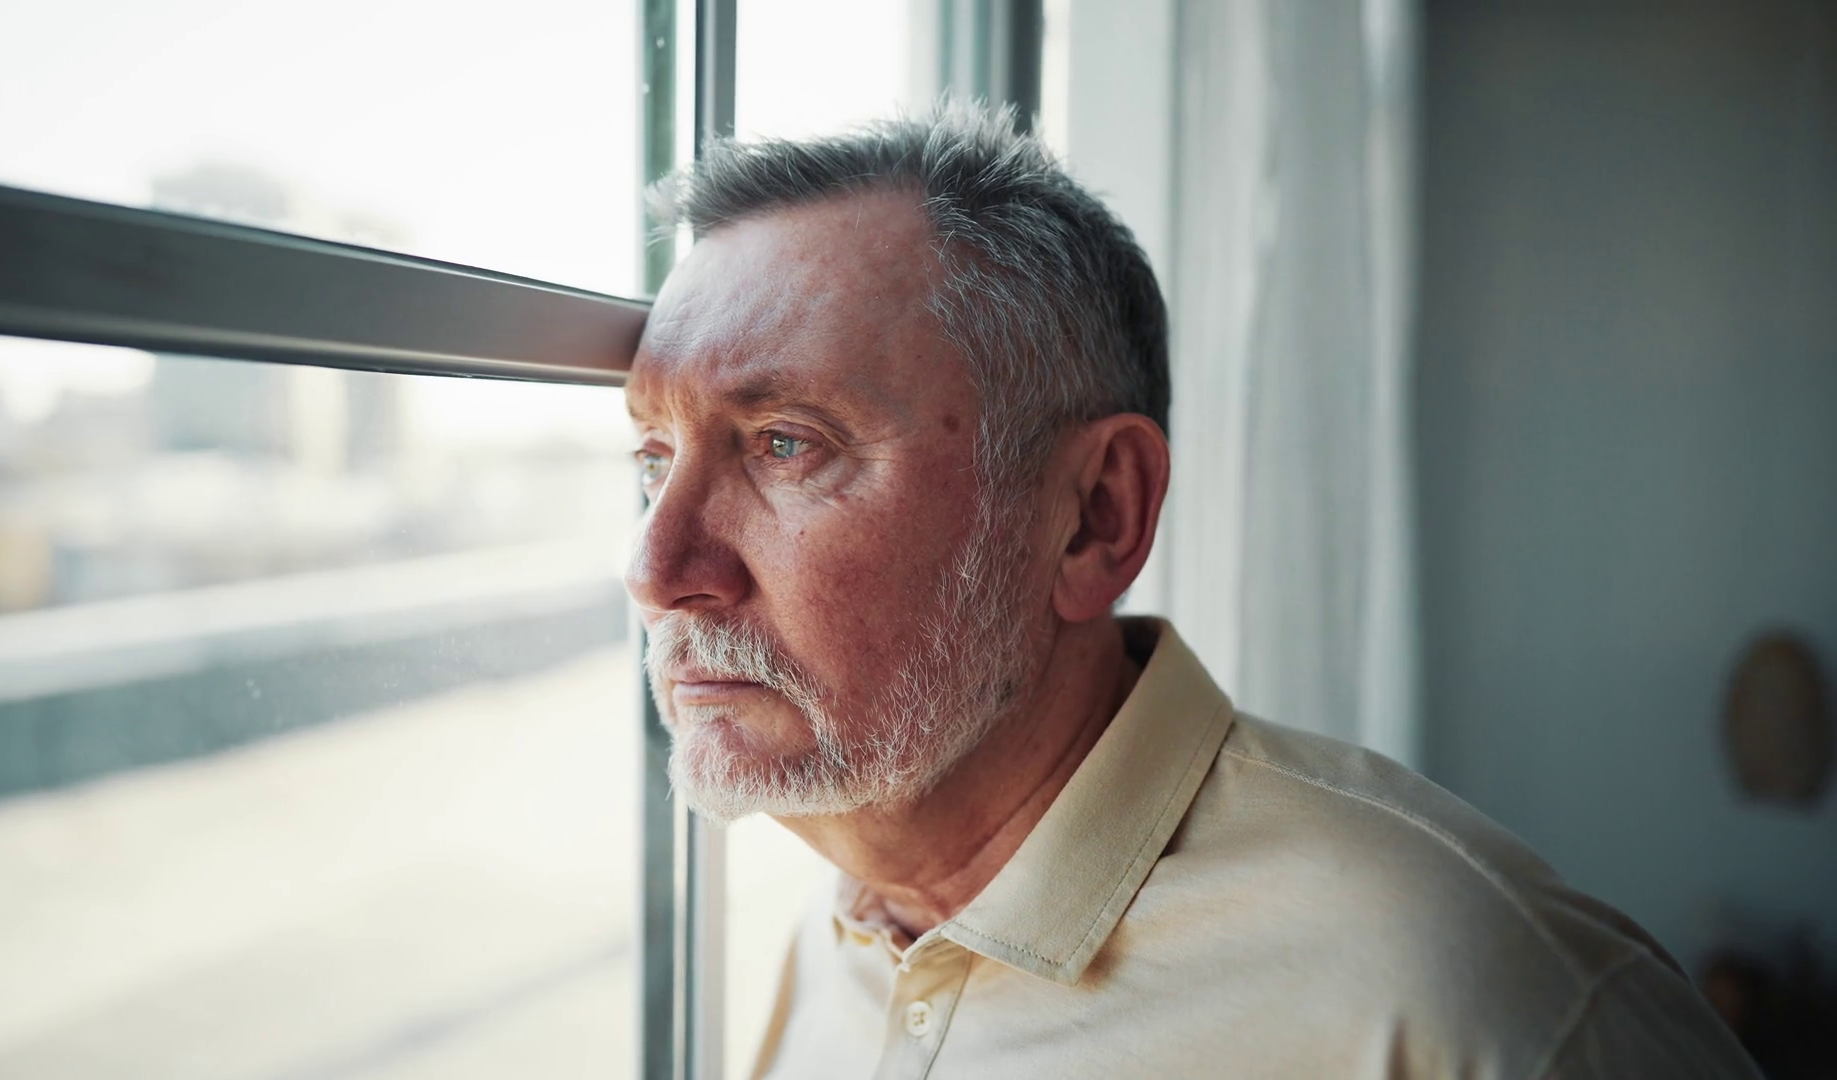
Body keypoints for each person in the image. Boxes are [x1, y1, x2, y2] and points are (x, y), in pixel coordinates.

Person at [623, 106, 1759, 1079]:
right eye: (652, 459)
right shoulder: (830, 948)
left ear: (1094, 517)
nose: (656, 569)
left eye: (784, 445)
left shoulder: (1477, 997)